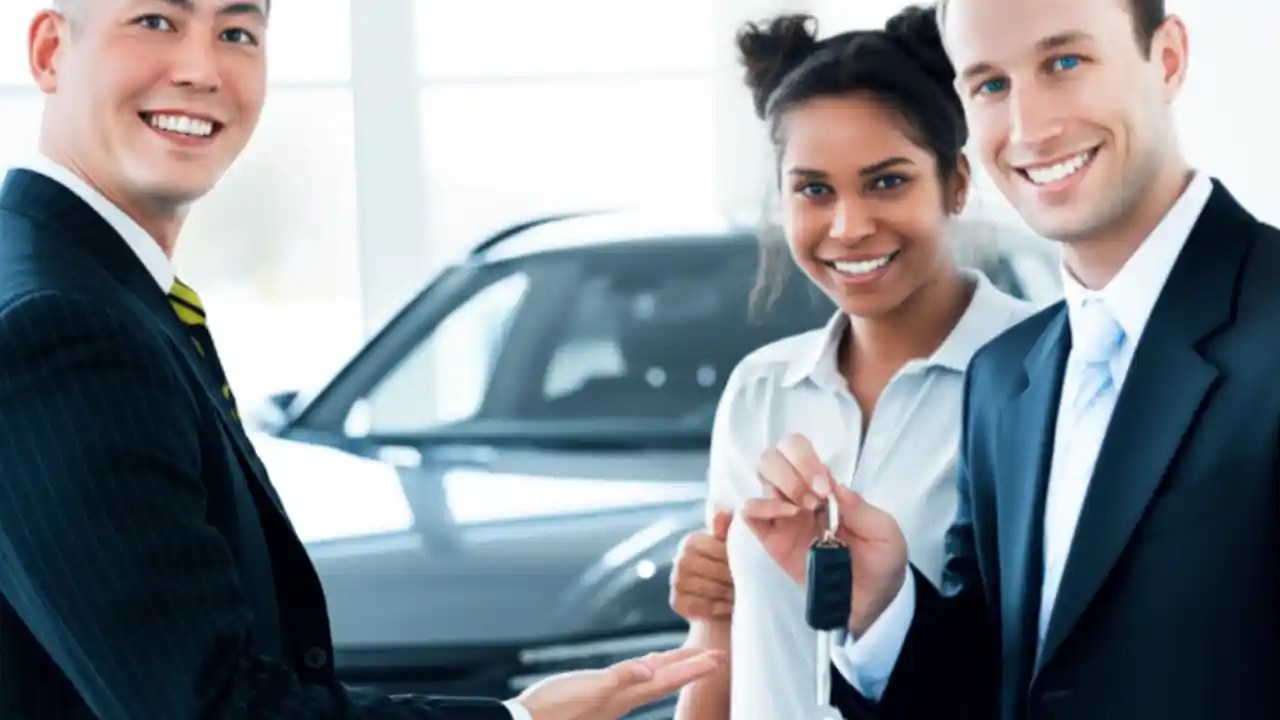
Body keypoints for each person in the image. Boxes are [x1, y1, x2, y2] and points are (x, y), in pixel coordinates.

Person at [0, 2, 720, 718]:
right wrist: (520, 719)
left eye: (237, 33)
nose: (201, 68)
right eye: (156, 21)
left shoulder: (76, 284)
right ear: (50, 50)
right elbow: (207, 708)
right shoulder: (63, 324)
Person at [749, 0, 1280, 718]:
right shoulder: (1006, 377)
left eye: (1065, 62)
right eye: (990, 85)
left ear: (1168, 59)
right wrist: (883, 601)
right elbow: (990, 692)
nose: (1028, 129)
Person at [667, 8, 1035, 719]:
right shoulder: (759, 392)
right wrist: (711, 603)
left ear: (956, 183)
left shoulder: (1043, 373)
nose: (848, 226)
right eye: (814, 189)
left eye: (887, 182)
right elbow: (718, 661)